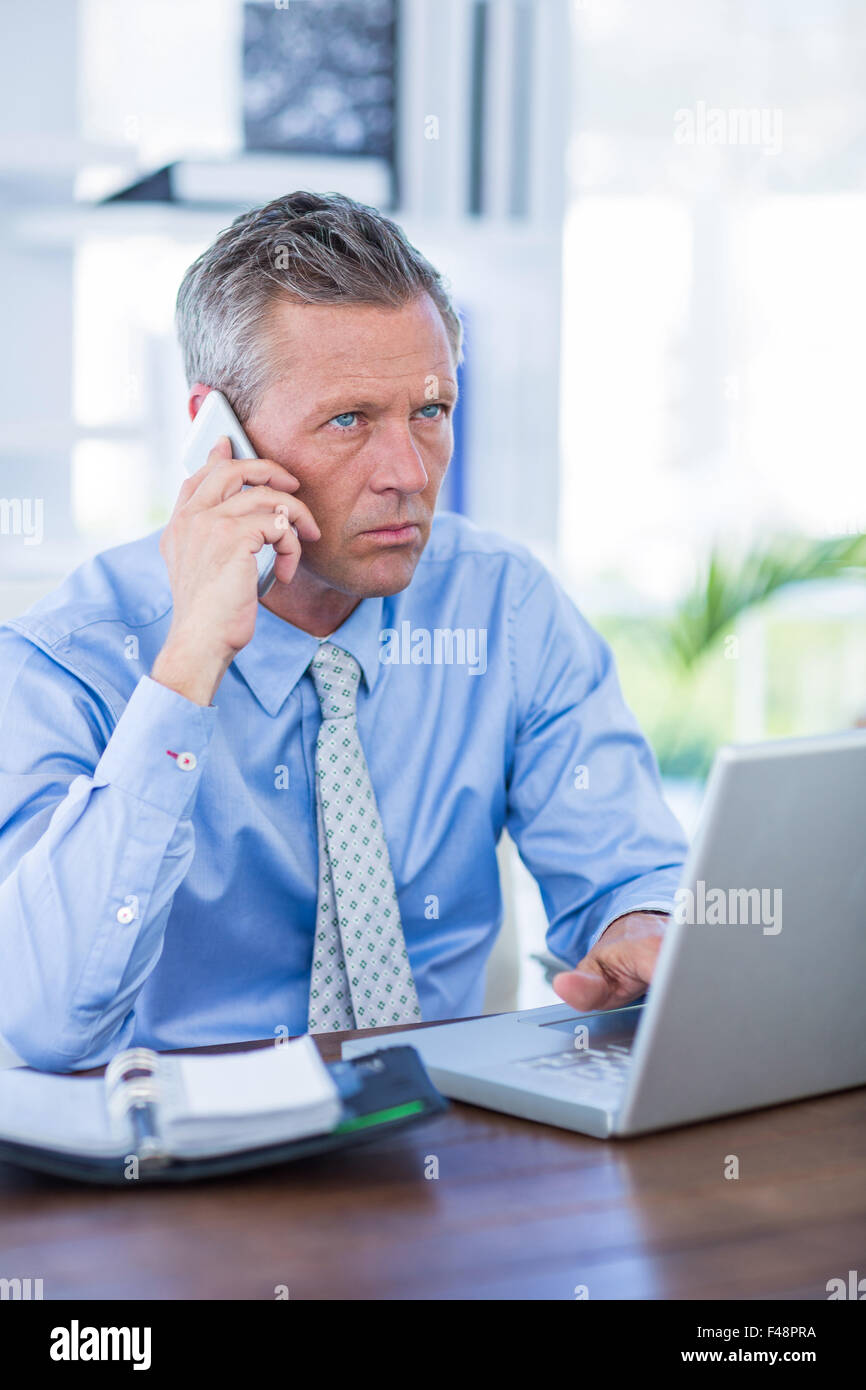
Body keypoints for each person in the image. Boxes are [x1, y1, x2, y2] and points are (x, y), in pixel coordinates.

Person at [0, 191, 687, 1070]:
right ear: (221, 436)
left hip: (445, 1140)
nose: (407, 473)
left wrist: (644, 926)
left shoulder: (504, 607)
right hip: (177, 1164)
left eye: (430, 413)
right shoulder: (69, 660)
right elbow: (41, 1025)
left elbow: (628, 869)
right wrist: (189, 665)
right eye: (348, 420)